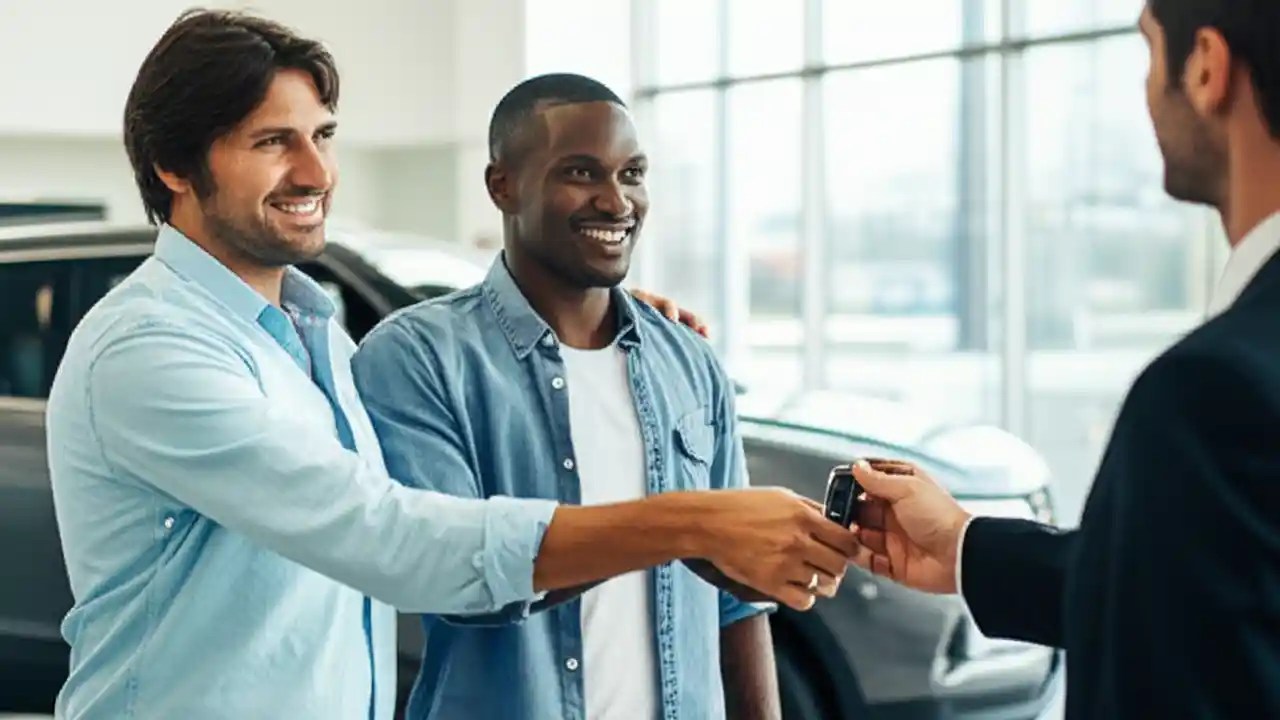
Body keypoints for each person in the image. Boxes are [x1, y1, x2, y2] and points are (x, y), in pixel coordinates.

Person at [44, 10, 856, 719]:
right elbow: (390, 536)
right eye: (272, 142)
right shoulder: (150, 349)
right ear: (175, 168)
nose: (317, 173)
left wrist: (610, 323)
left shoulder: (314, 335)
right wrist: (689, 521)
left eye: (322, 136)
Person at [849, 2, 1280, 717]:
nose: (1145, 90)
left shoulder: (1210, 393)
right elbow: (1202, 588)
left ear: (1207, 66)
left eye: (1149, 53)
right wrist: (965, 548)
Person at [351, 74, 797, 720]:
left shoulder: (689, 361)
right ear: (502, 185)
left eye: (633, 174)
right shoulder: (417, 359)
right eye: (582, 173)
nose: (616, 202)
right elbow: (455, 578)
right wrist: (680, 527)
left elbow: (738, 604)